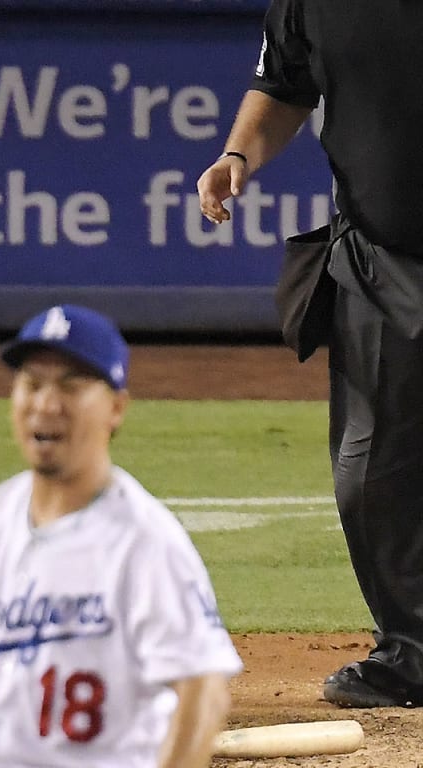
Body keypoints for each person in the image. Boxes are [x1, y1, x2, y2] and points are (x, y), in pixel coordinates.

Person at [0, 305, 242, 768]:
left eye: (72, 385)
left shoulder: (144, 542)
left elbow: (204, 691)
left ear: (116, 408)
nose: (46, 404)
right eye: (32, 384)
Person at [196, 1, 423, 709]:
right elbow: (286, 82)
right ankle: (412, 655)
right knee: (371, 470)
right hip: (382, 256)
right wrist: (239, 154)